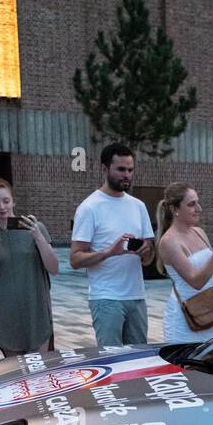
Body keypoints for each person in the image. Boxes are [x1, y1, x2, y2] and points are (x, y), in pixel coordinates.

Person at [70, 143, 155, 347]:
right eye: (121, 169)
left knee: (138, 360)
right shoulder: (89, 207)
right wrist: (110, 252)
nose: (126, 175)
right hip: (106, 298)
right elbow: (75, 259)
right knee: (111, 361)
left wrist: (146, 251)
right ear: (105, 169)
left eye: (130, 170)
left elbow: (150, 257)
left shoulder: (139, 206)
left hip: (137, 296)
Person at [0, 178, 59, 357]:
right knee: (15, 374)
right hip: (7, 311)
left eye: (6, 201)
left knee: (39, 370)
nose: (2, 206)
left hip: (36, 308)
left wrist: (38, 237)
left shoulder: (35, 228)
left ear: (13, 201)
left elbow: (54, 268)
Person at [154, 181, 213, 343]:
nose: (199, 209)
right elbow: (195, 281)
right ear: (174, 209)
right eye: (192, 204)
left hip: (211, 314)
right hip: (185, 320)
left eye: (198, 202)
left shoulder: (199, 232)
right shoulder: (169, 241)